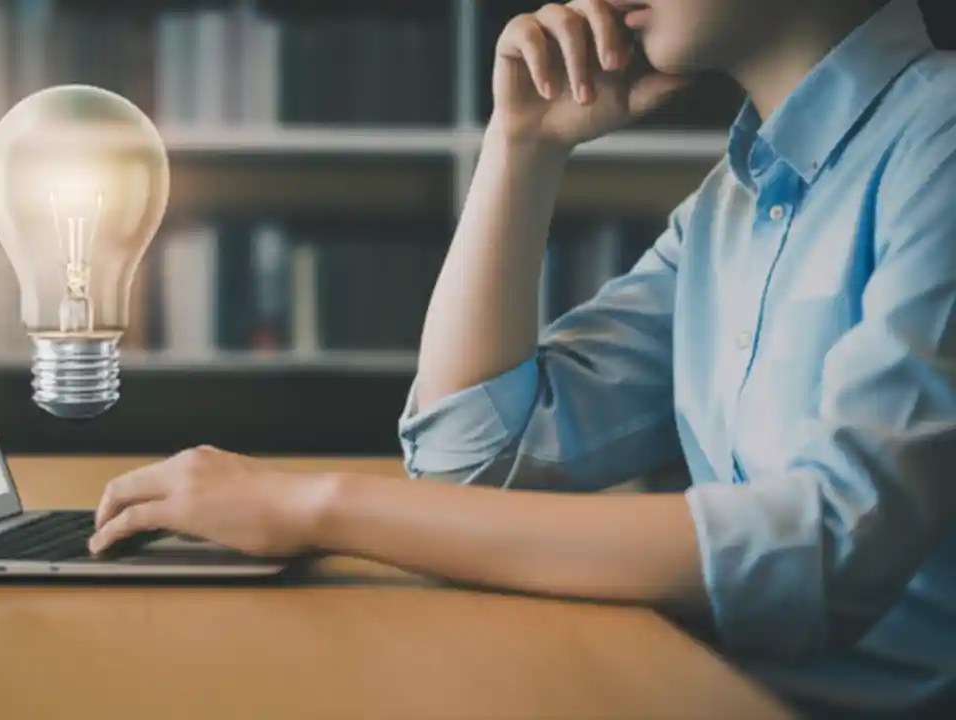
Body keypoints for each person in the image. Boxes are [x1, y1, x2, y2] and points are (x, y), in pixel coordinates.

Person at [89, 0, 956, 714]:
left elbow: (827, 546)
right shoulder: (726, 209)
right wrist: (523, 146)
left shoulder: (940, 144)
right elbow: (473, 460)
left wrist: (319, 504)